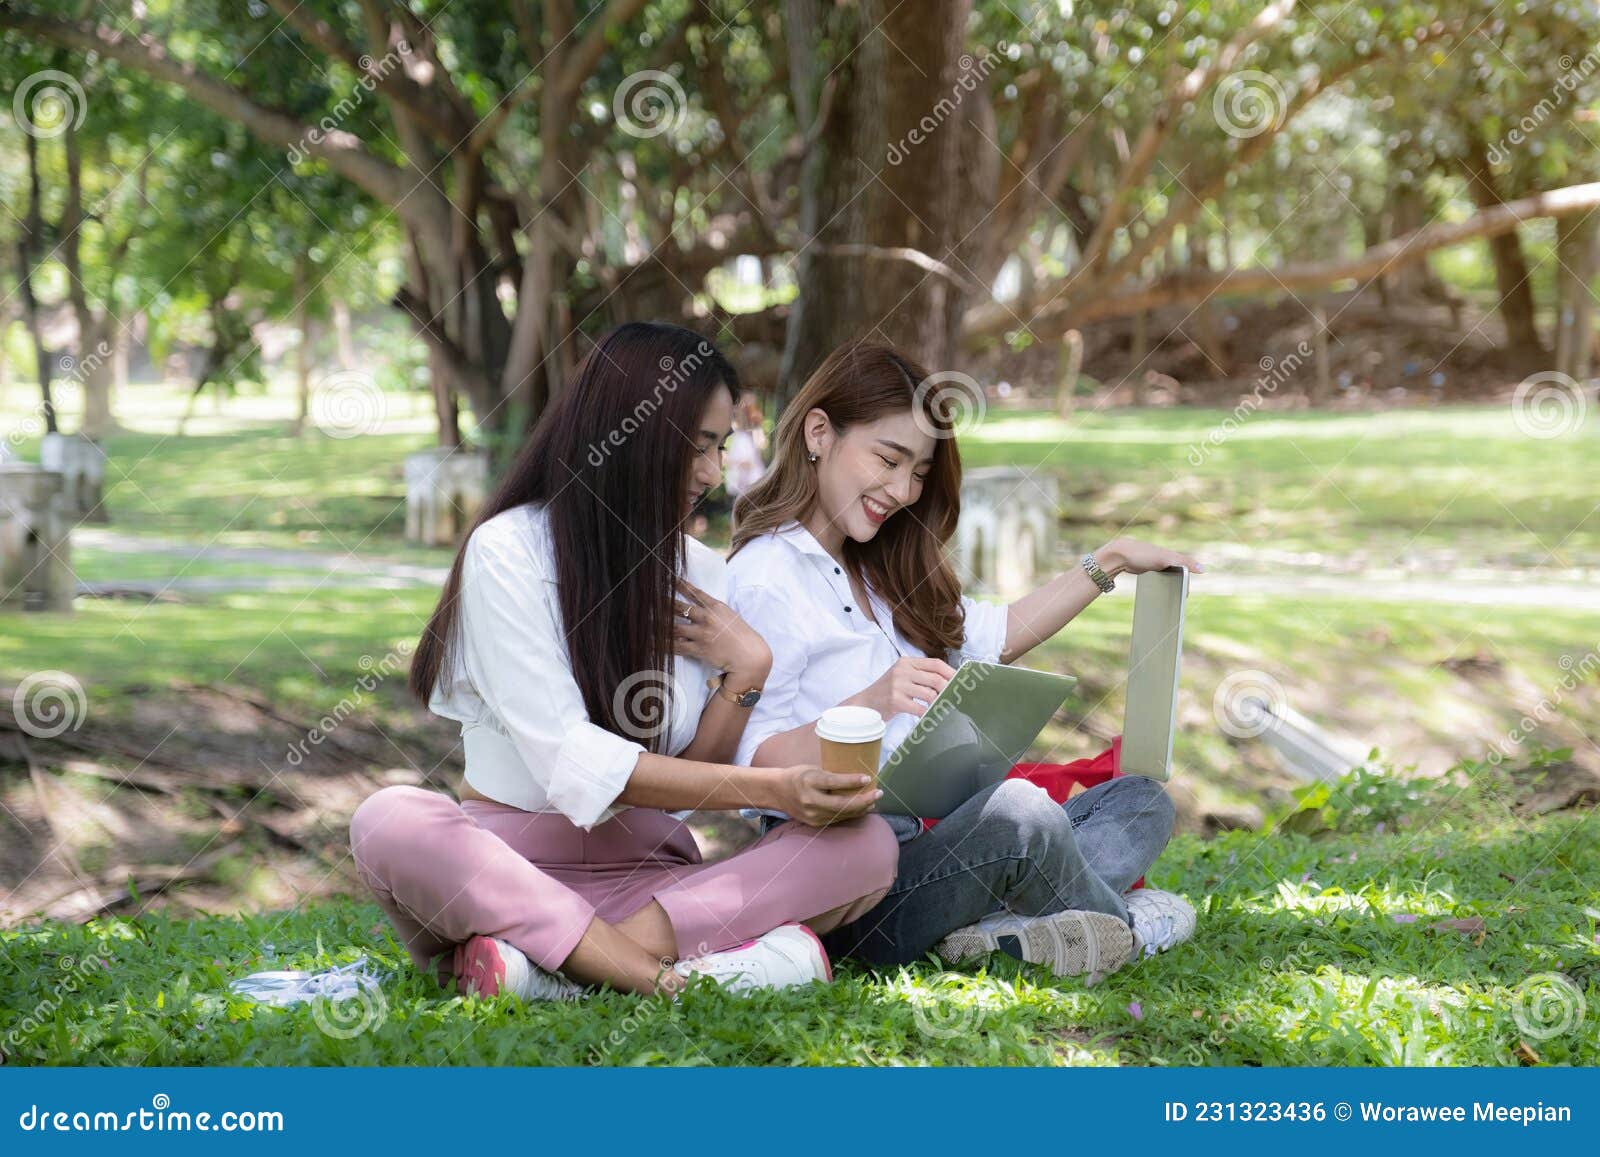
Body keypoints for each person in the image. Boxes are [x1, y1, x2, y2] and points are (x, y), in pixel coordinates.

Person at [350, 323, 897, 1003]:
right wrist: (774, 789)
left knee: (866, 844)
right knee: (390, 820)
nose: (712, 473)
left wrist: (748, 673)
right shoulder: (509, 551)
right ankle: (660, 977)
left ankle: (557, 968)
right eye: (697, 445)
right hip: (510, 873)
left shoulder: (699, 574)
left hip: (653, 883)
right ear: (628, 432)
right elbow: (569, 761)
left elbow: (692, 776)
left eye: (721, 447)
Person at [725, 339, 1198, 981]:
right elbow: (750, 764)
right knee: (1019, 813)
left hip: (941, 838)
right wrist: (872, 702)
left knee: (1141, 801)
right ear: (818, 433)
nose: (902, 490)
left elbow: (999, 633)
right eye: (888, 459)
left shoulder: (880, 567)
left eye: (919, 472)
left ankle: (999, 928)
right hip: (858, 882)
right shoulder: (767, 577)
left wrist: (1108, 561)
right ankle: (1127, 927)